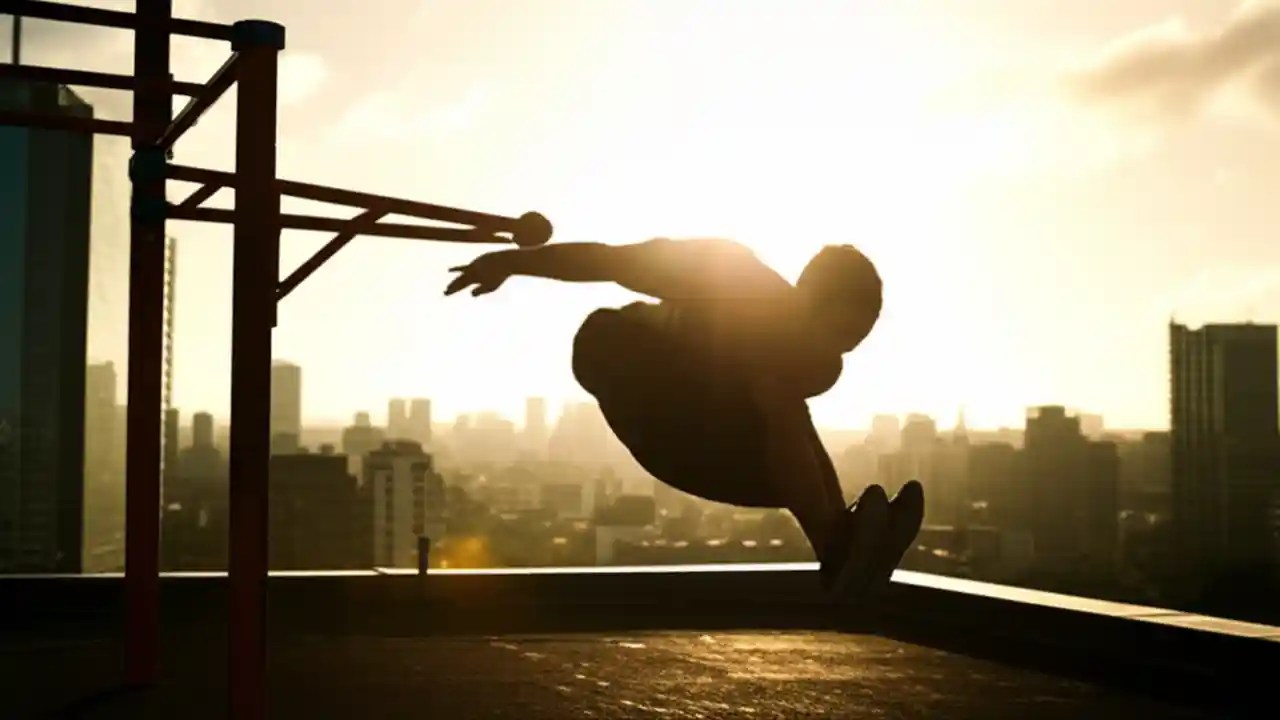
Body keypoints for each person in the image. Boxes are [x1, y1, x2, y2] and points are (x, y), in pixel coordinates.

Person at [445, 237, 923, 599]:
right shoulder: (729, 275)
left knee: (781, 393)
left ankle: (839, 552)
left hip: (690, 447)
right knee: (775, 391)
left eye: (849, 343)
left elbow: (797, 434)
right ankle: (838, 548)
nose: (831, 353)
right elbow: (608, 261)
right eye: (833, 334)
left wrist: (843, 532)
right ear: (804, 300)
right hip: (626, 364)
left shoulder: (818, 367)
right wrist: (510, 261)